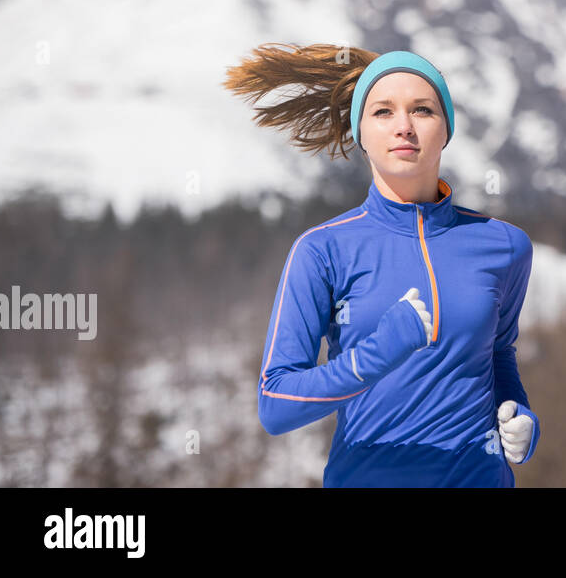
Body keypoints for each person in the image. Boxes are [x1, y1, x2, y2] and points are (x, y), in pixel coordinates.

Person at [223, 43, 540, 486]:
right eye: (384, 112)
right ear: (360, 134)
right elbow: (276, 404)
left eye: (423, 110)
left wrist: (518, 410)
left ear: (446, 128)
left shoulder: (505, 246)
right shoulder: (322, 250)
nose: (404, 127)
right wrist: (377, 354)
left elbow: (499, 352)